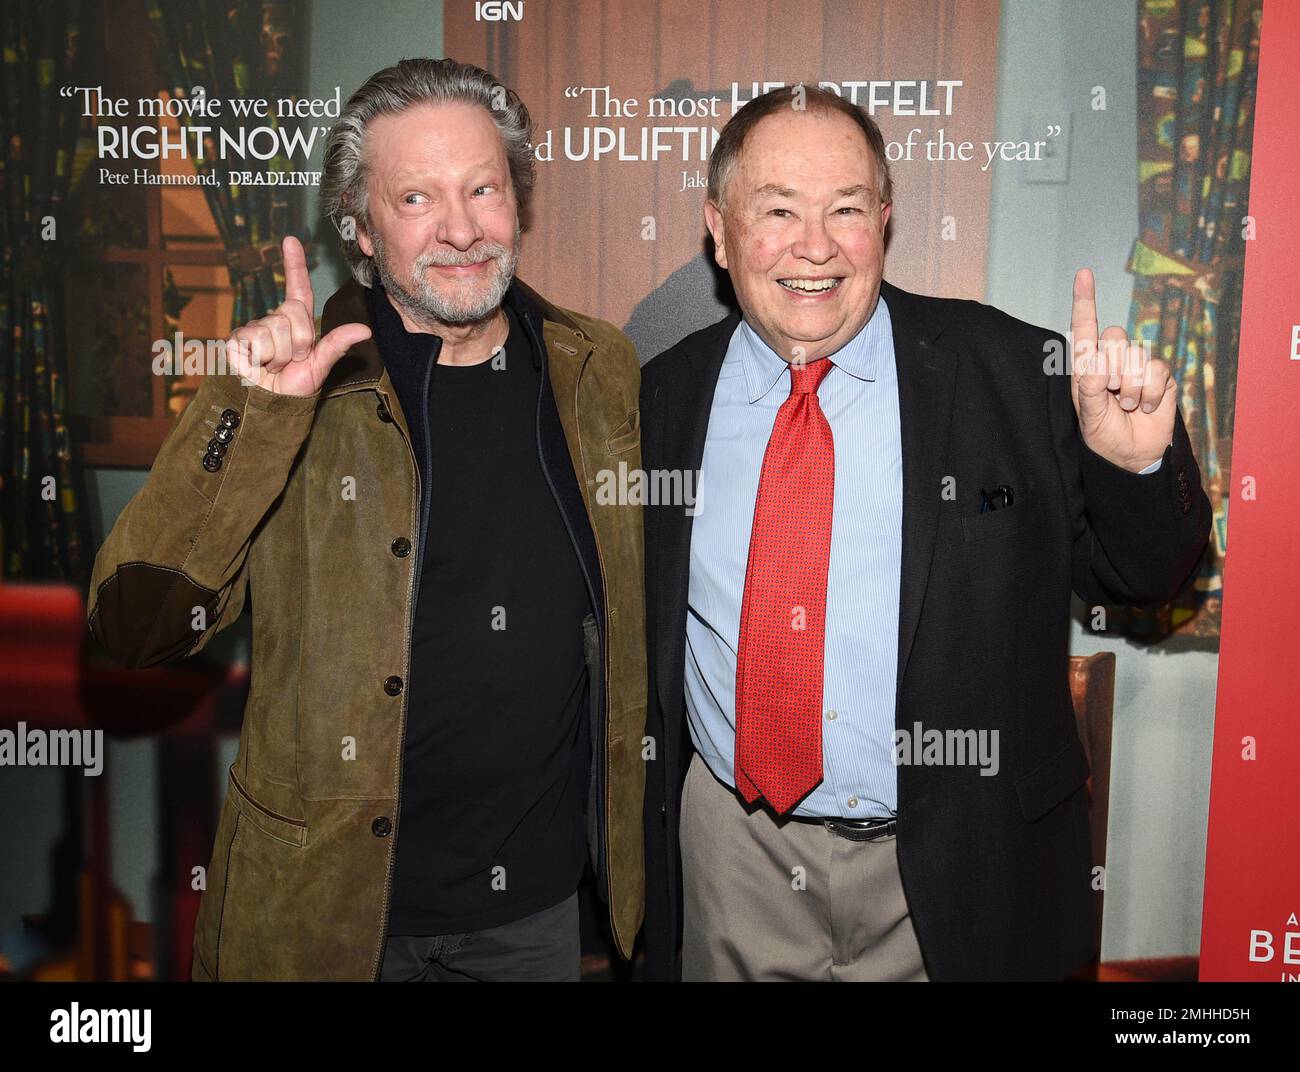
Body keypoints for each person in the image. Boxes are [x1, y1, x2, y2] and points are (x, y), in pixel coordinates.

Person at [87, 57, 646, 982]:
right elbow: (134, 628)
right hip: (325, 914)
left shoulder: (599, 370)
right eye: (417, 198)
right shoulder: (287, 392)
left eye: (483, 189)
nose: (462, 228)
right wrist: (252, 417)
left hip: (534, 918)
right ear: (360, 229)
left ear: (519, 202)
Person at [640, 84, 1211, 981]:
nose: (816, 247)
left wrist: (1133, 468)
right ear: (718, 227)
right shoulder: (659, 397)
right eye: (778, 210)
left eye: (847, 209)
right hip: (734, 863)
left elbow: (1145, 579)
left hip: (964, 864)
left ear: (887, 220)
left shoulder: (1017, 373)